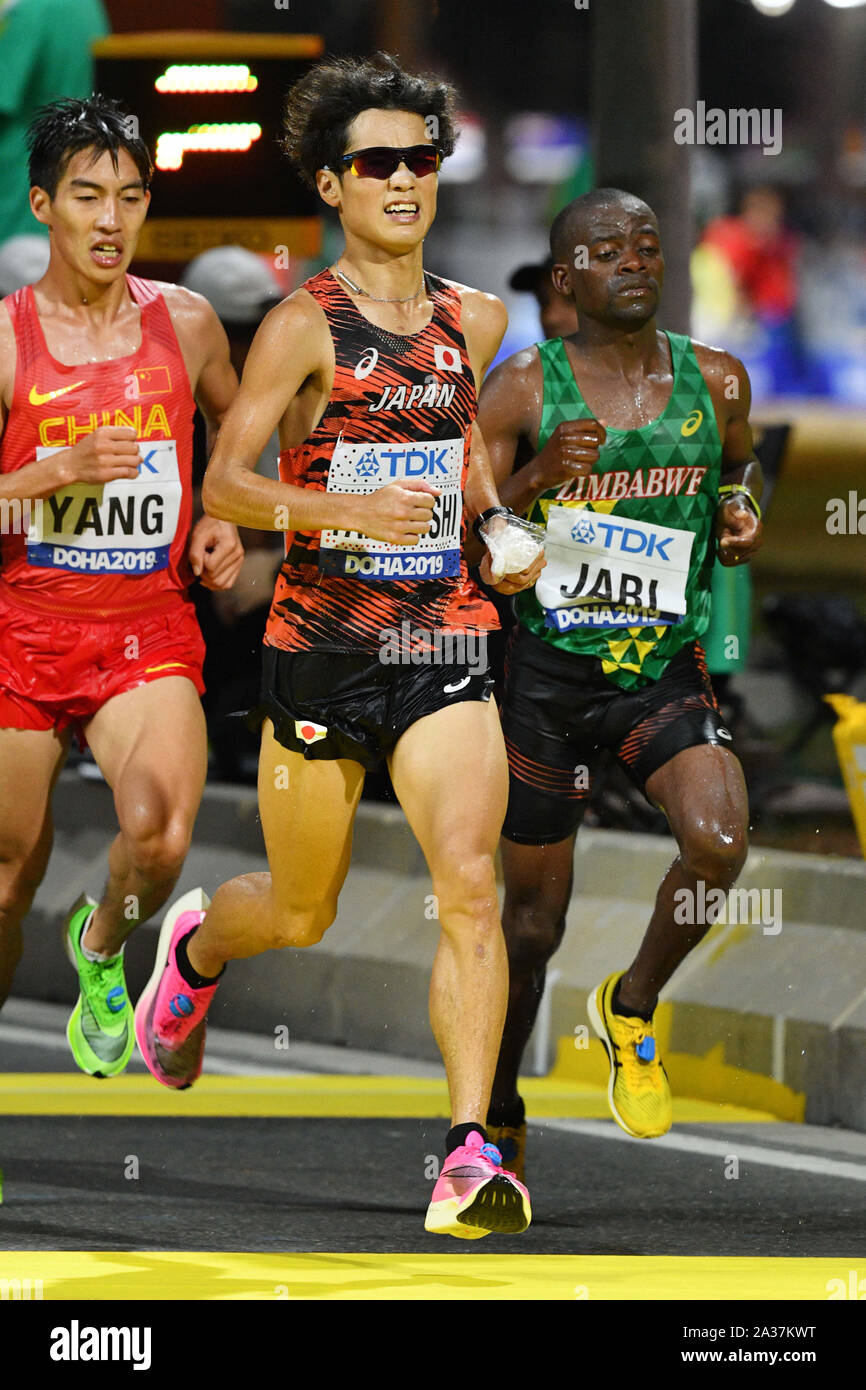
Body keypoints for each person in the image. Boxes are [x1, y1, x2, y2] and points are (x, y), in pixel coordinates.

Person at [134, 52, 543, 1241]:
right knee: (302, 910)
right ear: (332, 183)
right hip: (317, 644)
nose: (405, 179)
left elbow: (464, 464)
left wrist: (499, 527)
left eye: (421, 158)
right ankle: (202, 948)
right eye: (378, 163)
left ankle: (468, 1152)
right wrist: (339, 514)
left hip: (442, 640)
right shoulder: (303, 325)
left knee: (468, 886)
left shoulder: (478, 317)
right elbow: (225, 479)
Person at [475, 188, 764, 1178]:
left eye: (646, 246)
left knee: (718, 844)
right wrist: (532, 478)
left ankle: (630, 1006)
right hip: (548, 682)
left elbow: (738, 470)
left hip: (658, 671)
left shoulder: (716, 380)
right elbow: (474, 544)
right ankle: (498, 1110)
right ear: (566, 278)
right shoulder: (520, 389)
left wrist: (735, 509)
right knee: (528, 928)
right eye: (606, 251)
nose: (632, 261)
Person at [0, 97, 243, 1077]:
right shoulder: (10, 341)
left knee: (161, 832)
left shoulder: (182, 323)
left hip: (144, 629)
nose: (110, 220)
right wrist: (44, 475)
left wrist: (224, 513)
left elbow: (240, 426)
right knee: (8, 881)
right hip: (19, 631)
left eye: (131, 197)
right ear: (42, 207)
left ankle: (102, 947)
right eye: (88, 197)